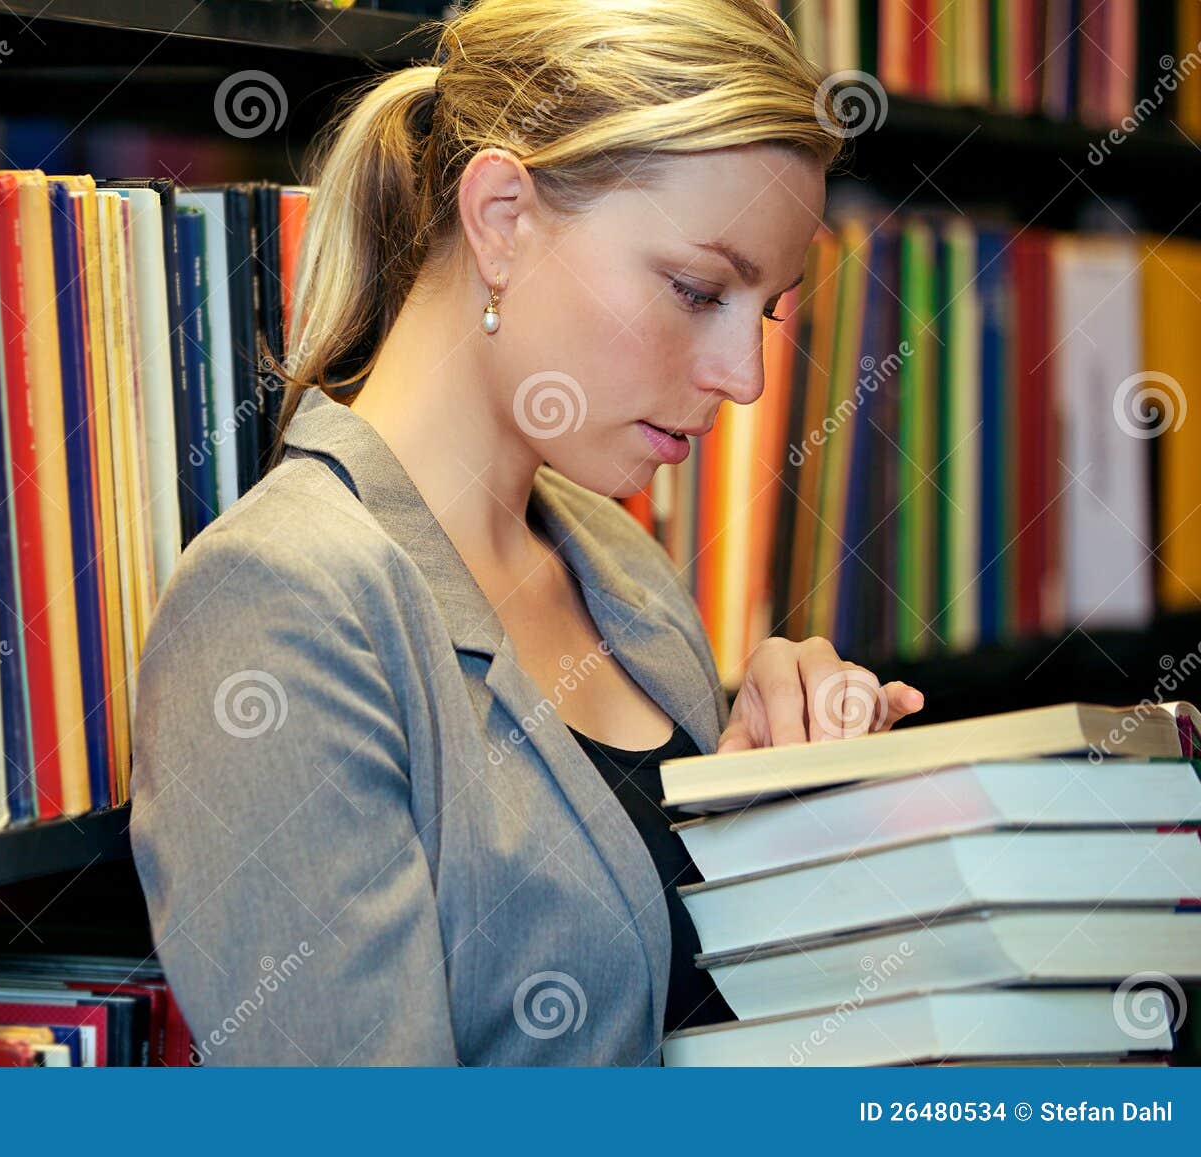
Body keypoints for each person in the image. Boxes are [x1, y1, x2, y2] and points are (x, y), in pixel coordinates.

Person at [129, 0, 924, 1066]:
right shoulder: (279, 602)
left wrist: (776, 837)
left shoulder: (621, 564)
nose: (744, 378)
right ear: (502, 216)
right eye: (696, 289)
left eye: (765, 309)